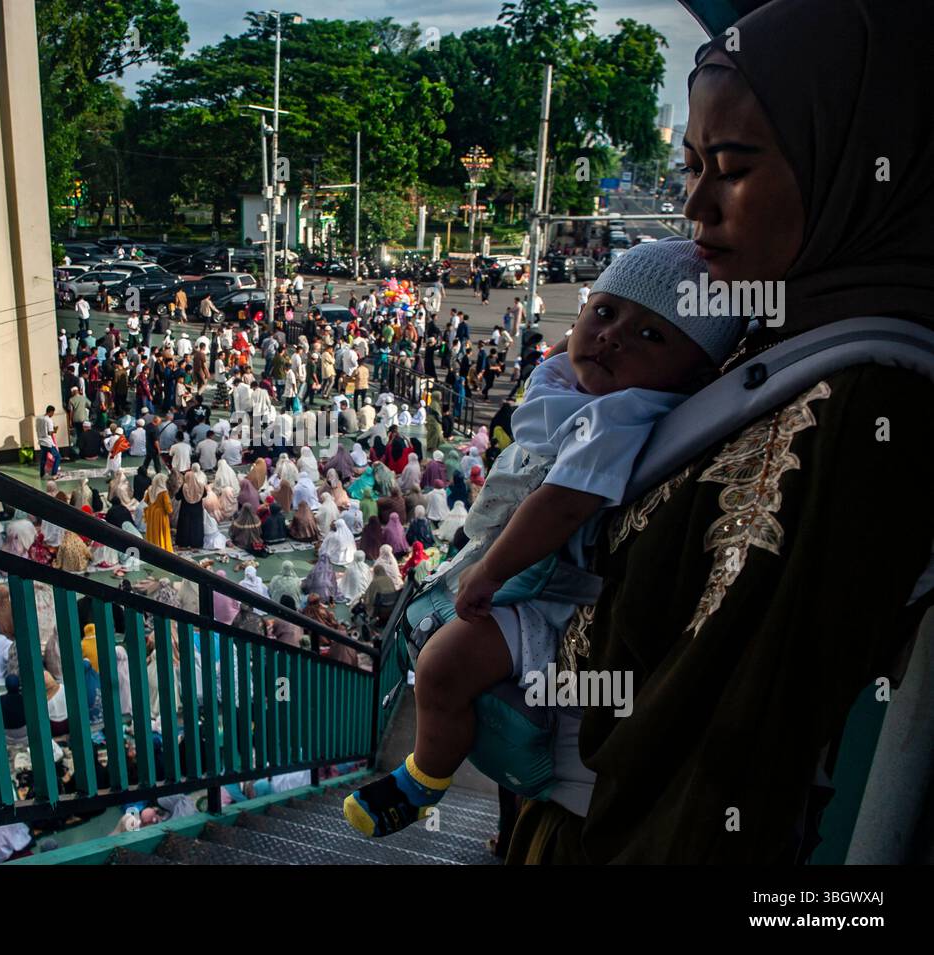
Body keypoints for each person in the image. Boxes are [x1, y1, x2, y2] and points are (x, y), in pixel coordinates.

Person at [500, 0, 934, 865]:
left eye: (733, 167)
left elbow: (738, 739)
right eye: (693, 164)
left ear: (849, 164)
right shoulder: (775, 342)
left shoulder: (863, 406)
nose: (695, 204)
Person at [344, 237, 743, 838]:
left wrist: (490, 572)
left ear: (694, 372)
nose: (612, 337)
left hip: (542, 590)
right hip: (523, 570)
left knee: (441, 666)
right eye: (604, 314)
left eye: (651, 336)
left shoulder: (617, 417)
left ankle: (423, 779)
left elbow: (557, 507)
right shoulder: (584, 378)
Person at [143, 472, 173, 552]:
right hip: (160, 515)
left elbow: (146, 501)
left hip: (151, 512)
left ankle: (152, 548)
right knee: (161, 532)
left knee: (152, 530)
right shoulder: (163, 492)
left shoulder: (150, 489)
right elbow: (168, 508)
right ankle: (162, 548)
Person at [35, 405, 60, 479]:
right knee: (57, 457)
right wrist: (55, 430)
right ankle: (54, 474)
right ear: (51, 411)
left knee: (43, 459)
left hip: (41, 441)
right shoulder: (49, 420)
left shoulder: (38, 419)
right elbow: (50, 432)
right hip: (48, 442)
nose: (53, 415)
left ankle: (42, 474)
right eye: (53, 413)